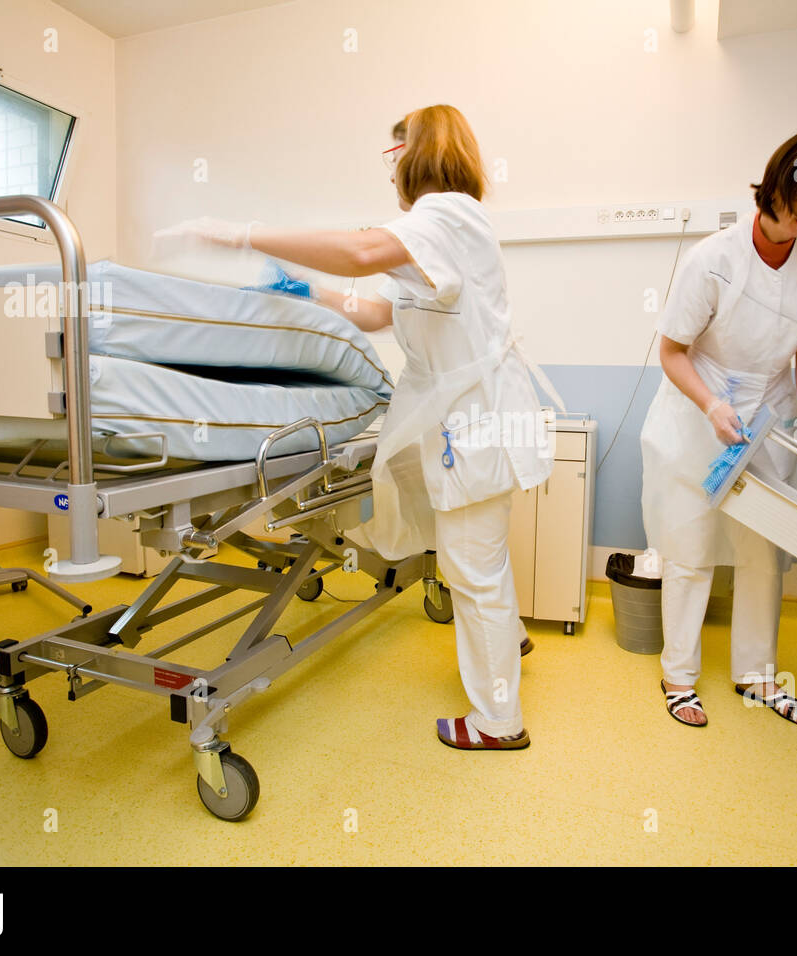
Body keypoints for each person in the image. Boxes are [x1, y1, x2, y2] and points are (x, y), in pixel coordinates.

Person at [155, 105, 553, 750]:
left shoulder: (446, 214)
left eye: (393, 152)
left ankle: (498, 723)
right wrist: (306, 293)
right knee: (479, 557)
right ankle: (509, 639)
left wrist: (243, 233)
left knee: (472, 568)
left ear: (414, 153)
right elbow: (376, 313)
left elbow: (363, 251)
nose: (389, 166)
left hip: (475, 426)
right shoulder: (440, 234)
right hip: (473, 423)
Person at [639, 126, 797, 729]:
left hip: (768, 412)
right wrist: (711, 404)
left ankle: (757, 675)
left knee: (765, 547)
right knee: (688, 546)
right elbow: (673, 351)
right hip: (697, 407)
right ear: (780, 187)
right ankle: (679, 675)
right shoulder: (713, 259)